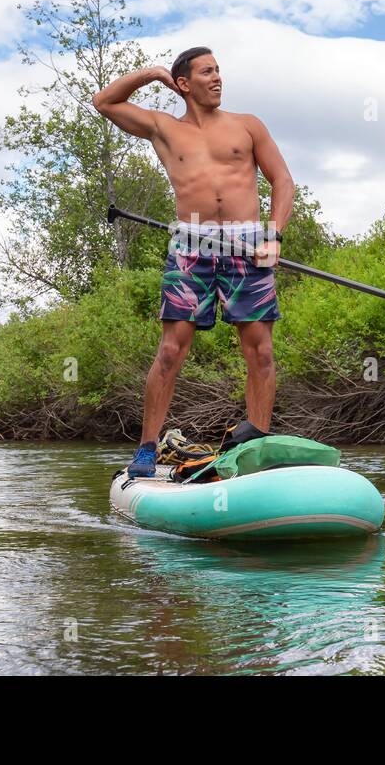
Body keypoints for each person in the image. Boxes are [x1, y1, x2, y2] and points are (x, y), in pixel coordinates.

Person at [93, 47, 294, 477]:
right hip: (191, 246)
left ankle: (254, 446)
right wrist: (152, 73)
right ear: (184, 83)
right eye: (207, 72)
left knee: (260, 351)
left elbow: (283, 180)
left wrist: (274, 235)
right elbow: (104, 102)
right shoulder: (164, 128)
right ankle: (147, 448)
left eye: (219, 69)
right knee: (170, 350)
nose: (217, 77)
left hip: (247, 245)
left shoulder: (247, 125)